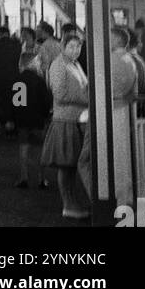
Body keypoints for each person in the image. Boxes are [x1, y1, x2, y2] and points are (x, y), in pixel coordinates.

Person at [77, 25, 138, 209]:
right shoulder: (130, 60)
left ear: (118, 40)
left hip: (106, 113)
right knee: (121, 159)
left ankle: (101, 203)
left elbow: (95, 89)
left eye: (109, 37)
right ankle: (123, 200)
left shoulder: (110, 60)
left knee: (90, 160)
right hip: (124, 112)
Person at [40, 30, 89, 219]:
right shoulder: (59, 65)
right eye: (72, 46)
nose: (76, 50)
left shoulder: (74, 64)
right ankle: (68, 205)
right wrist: (87, 98)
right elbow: (60, 94)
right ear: (63, 46)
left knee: (70, 166)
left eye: (79, 46)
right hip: (65, 121)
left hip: (75, 120)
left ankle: (72, 203)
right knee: (66, 166)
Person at [11, 50, 52, 189]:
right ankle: (41, 178)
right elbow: (46, 101)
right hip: (38, 118)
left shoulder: (18, 79)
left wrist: (14, 118)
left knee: (23, 148)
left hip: (23, 118)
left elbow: (17, 102)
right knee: (40, 150)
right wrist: (46, 115)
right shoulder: (39, 80)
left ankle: (24, 177)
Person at [0, 25, 21, 131]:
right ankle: (14, 124)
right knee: (15, 101)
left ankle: (3, 123)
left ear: (0, 34)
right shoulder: (17, 45)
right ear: (8, 33)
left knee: (2, 100)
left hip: (0, 77)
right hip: (15, 76)